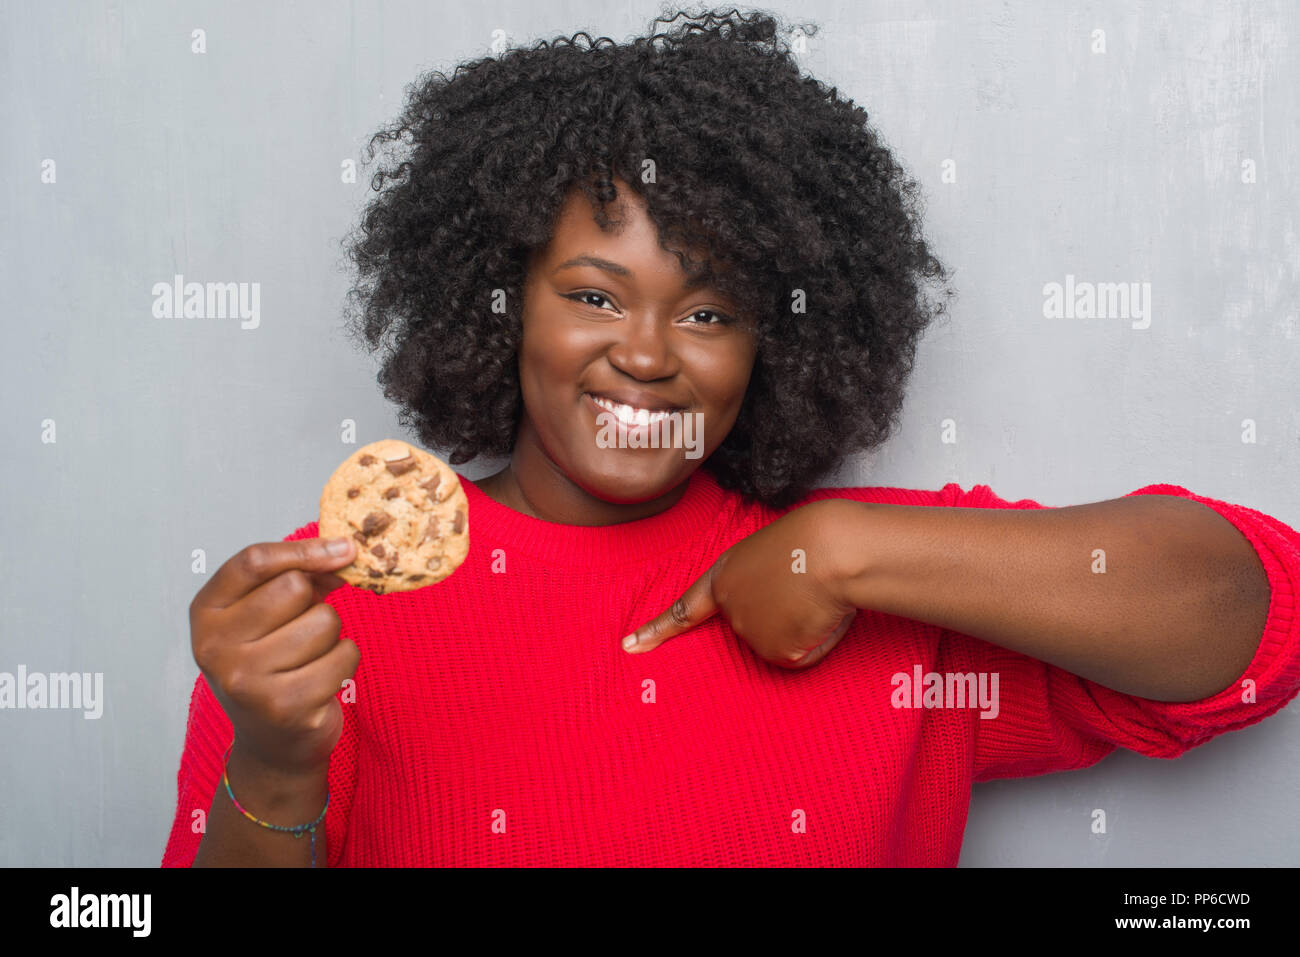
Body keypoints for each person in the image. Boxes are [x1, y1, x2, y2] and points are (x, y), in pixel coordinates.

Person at [162, 9, 1300, 867]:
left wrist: (847, 552)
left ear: (778, 341)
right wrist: (272, 761)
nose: (649, 354)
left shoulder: (880, 597)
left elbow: (1252, 629)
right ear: (498, 305)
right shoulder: (320, 612)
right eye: (593, 297)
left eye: (708, 313)